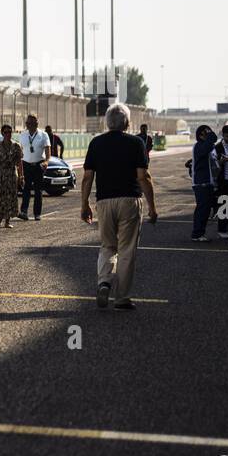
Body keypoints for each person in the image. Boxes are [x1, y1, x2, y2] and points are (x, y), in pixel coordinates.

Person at [81, 103, 158, 310]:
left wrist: (84, 205)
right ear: (127, 122)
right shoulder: (136, 143)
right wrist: (152, 207)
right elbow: (143, 177)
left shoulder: (96, 143)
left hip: (104, 201)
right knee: (127, 250)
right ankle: (122, 298)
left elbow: (87, 177)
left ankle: (104, 281)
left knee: (107, 245)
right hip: (129, 200)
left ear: (107, 122)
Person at [18, 114, 50, 220]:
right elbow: (21, 151)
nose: (31, 124)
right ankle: (24, 212)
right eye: (29, 123)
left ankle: (37, 213)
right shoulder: (22, 135)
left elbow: (47, 150)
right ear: (26, 124)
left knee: (38, 190)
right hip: (26, 164)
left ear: (37, 123)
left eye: (34, 122)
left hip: (38, 164)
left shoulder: (43, 135)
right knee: (26, 189)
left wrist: (46, 161)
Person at [189, 125, 218, 242]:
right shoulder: (199, 146)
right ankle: (197, 234)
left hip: (208, 182)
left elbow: (213, 140)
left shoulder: (208, 146)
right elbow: (211, 140)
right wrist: (210, 134)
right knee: (202, 209)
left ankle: (199, 233)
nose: (209, 135)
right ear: (201, 134)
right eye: (206, 133)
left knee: (205, 209)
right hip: (201, 183)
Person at [0, 124, 23, 228]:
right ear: (2, 133)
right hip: (0, 174)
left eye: (10, 132)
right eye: (6, 132)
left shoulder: (16, 146)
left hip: (12, 174)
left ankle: (7, 221)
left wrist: (22, 177)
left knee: (11, 197)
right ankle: (0, 217)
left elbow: (19, 162)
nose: (8, 134)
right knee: (0, 196)